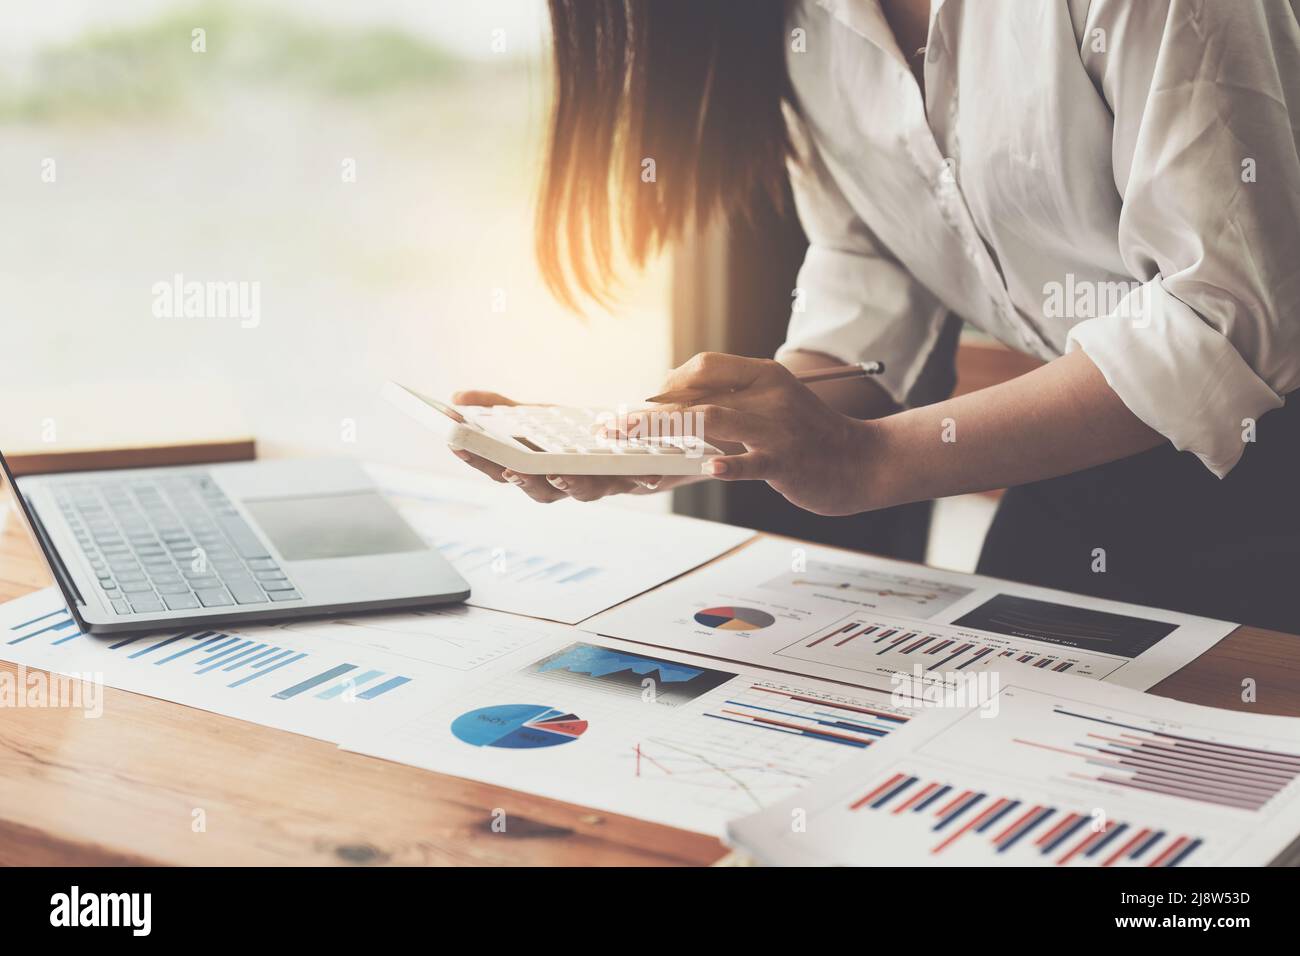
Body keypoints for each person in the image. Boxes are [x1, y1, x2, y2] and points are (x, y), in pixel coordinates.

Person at [452, 0, 1300, 630]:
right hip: (1094, 449)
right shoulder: (790, 21)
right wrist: (703, 439)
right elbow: (873, 265)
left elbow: (1223, 316)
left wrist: (868, 460)